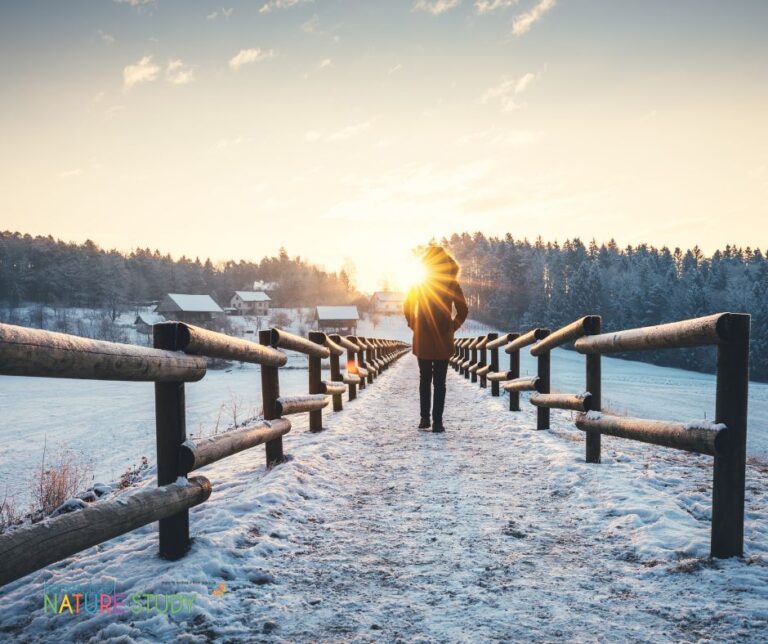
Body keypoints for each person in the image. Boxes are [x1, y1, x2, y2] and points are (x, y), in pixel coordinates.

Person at [403, 246, 468, 432]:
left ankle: (425, 419)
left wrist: (413, 324)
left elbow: (407, 305)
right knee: (440, 382)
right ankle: (438, 422)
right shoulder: (452, 283)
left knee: (425, 379)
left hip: (423, 337)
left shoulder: (420, 282)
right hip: (443, 339)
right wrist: (451, 328)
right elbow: (463, 311)